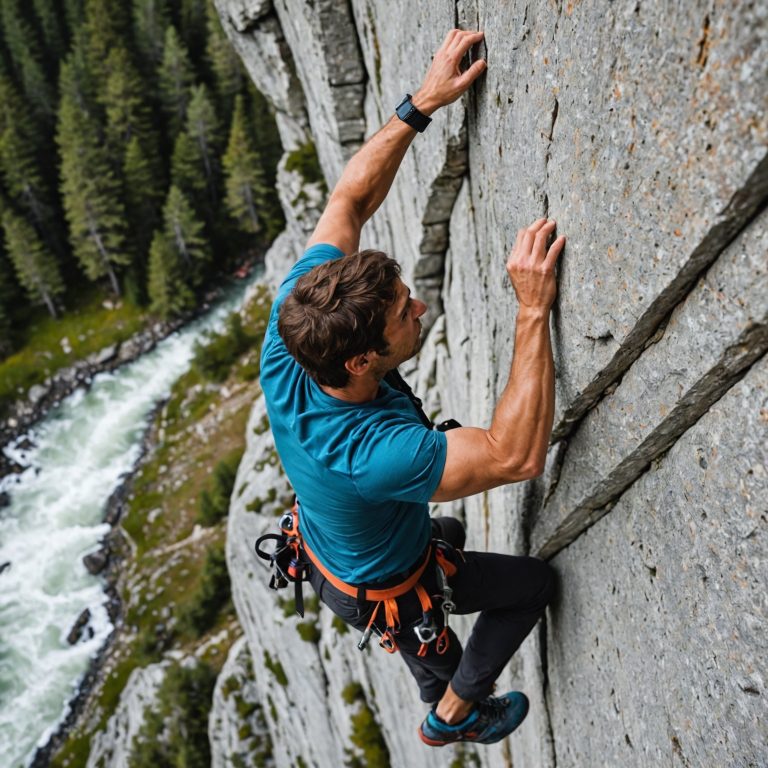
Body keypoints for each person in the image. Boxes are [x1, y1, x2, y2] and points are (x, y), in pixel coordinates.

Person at [260, 28, 565, 747]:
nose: (420, 306)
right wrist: (531, 311)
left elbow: (349, 198)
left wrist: (420, 103)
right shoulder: (375, 456)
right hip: (384, 579)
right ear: (363, 361)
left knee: (438, 553)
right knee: (529, 587)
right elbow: (516, 455)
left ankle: (436, 680)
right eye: (404, 313)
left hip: (341, 557)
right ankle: (452, 718)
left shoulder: (294, 324)